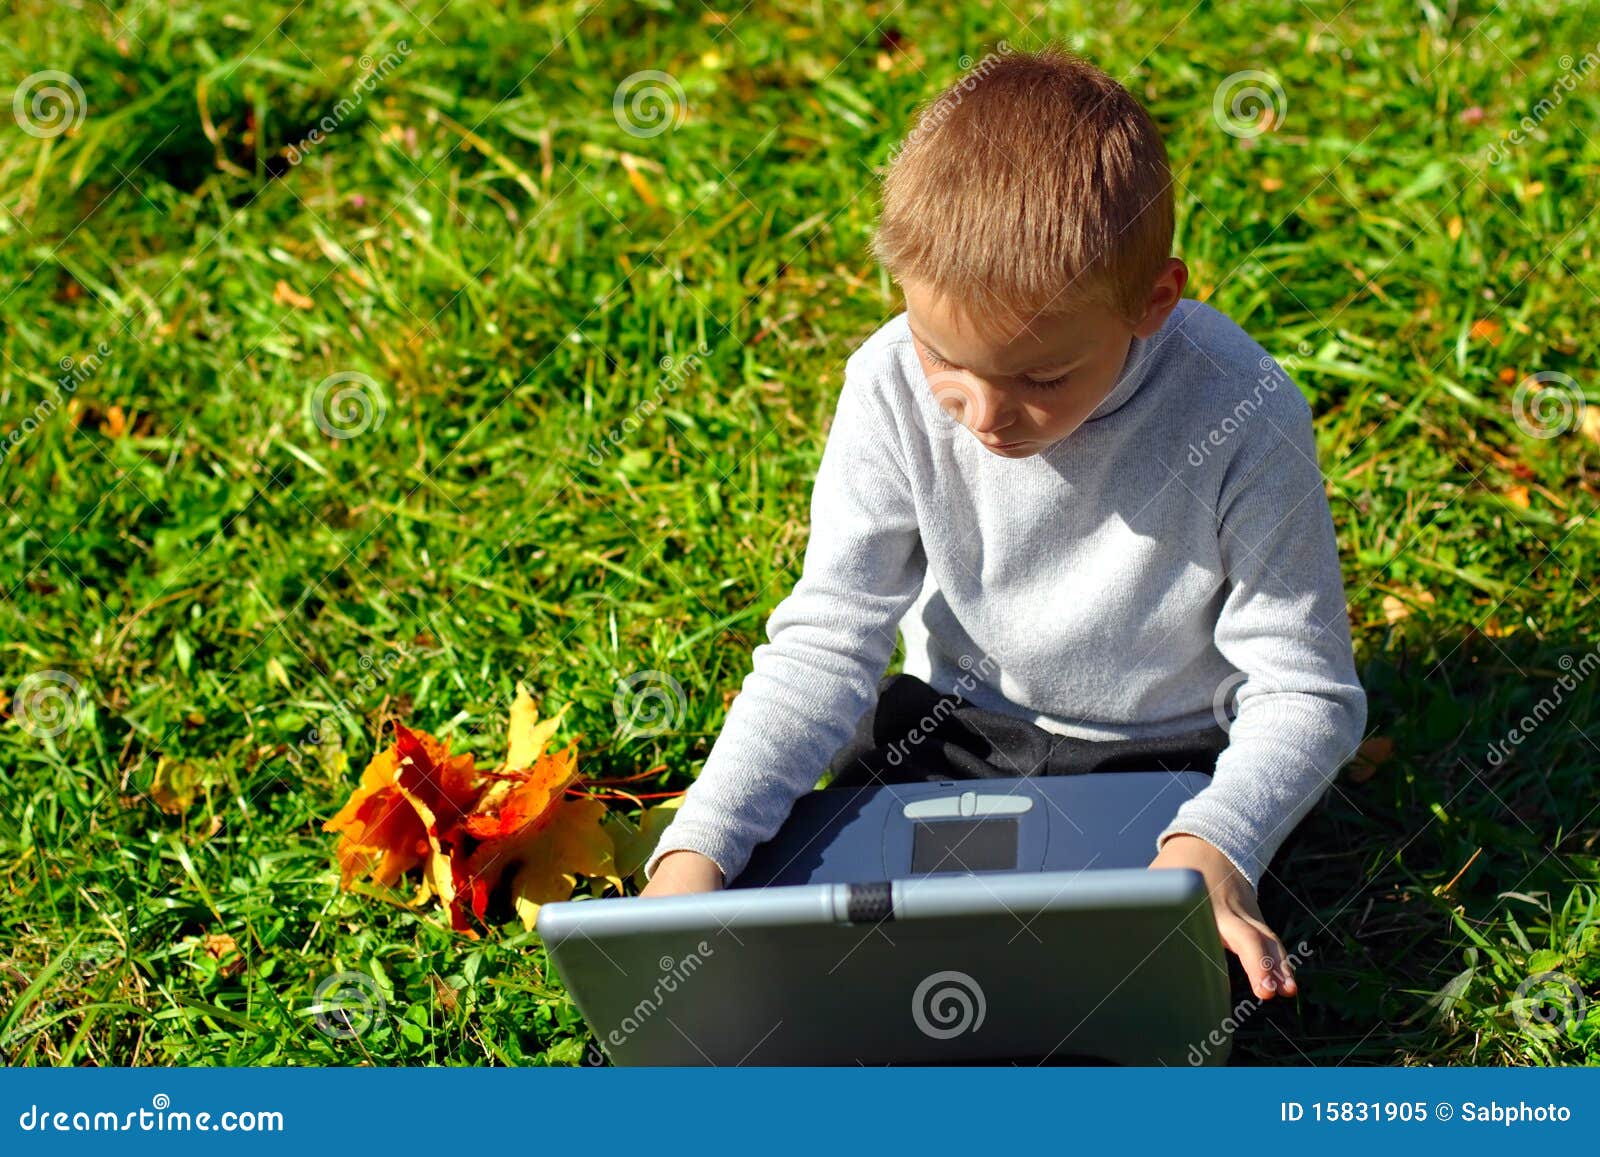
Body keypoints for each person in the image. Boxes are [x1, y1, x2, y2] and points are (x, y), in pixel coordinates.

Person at [639, 44, 1366, 1005]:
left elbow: (1308, 691)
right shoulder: (892, 383)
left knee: (1138, 997)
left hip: (1171, 757)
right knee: (814, 974)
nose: (982, 415)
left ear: (1155, 301)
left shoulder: (1241, 411)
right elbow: (827, 640)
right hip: (951, 736)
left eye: (1041, 377)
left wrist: (1215, 838)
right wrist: (697, 848)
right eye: (945, 355)